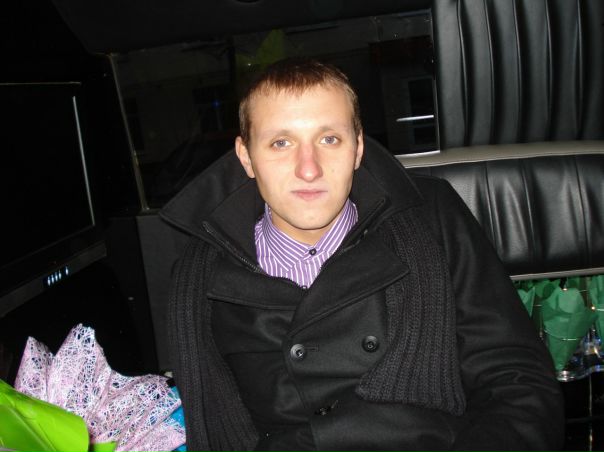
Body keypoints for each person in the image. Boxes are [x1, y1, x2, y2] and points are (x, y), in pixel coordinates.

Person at [161, 57, 564, 451]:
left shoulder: (432, 222)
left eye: (329, 139)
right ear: (246, 157)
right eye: (281, 143)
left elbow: (517, 383)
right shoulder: (200, 277)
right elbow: (213, 428)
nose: (308, 169)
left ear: (357, 148)